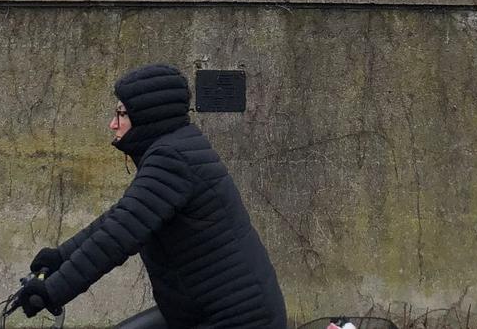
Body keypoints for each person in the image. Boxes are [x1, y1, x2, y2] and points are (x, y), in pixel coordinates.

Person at [16, 64, 286, 329]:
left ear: (147, 116)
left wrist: (52, 291)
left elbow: (118, 238)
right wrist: (60, 257)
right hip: (206, 310)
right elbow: (119, 218)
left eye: (121, 114)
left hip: (239, 318)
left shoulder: (172, 160)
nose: (113, 124)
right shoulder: (174, 149)